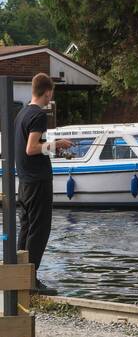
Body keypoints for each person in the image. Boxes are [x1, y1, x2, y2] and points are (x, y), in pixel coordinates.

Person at [14, 73, 71, 295]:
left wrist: (53, 147)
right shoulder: (38, 114)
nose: (51, 98)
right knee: (39, 230)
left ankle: (19, 277)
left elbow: (29, 148)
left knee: (27, 229)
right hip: (38, 182)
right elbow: (31, 148)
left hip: (25, 182)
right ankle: (31, 281)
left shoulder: (22, 114)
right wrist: (55, 144)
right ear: (47, 92)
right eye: (51, 93)